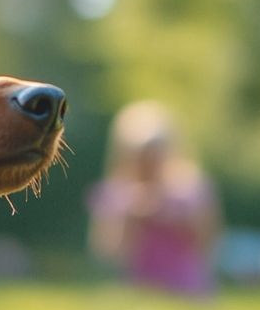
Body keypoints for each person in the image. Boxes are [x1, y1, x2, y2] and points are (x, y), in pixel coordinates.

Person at [88, 101, 220, 295]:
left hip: (187, 288)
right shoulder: (119, 195)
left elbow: (209, 240)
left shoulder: (189, 190)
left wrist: (173, 218)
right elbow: (107, 251)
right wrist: (130, 219)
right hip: (139, 287)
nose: (149, 164)